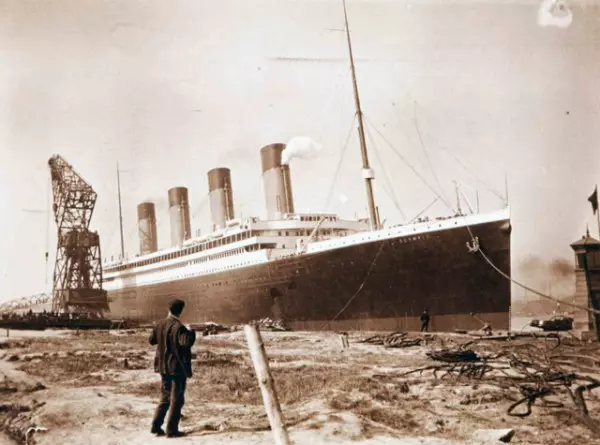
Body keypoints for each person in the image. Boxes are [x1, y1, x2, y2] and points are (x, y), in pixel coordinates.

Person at [149, 299, 196, 438]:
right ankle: (172, 430)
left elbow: (152, 340)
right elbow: (185, 343)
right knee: (177, 399)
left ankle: (156, 426)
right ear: (180, 311)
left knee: (165, 396)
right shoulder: (179, 327)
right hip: (176, 368)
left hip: (162, 367)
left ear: (168, 309)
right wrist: (191, 332)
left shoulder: (159, 324)